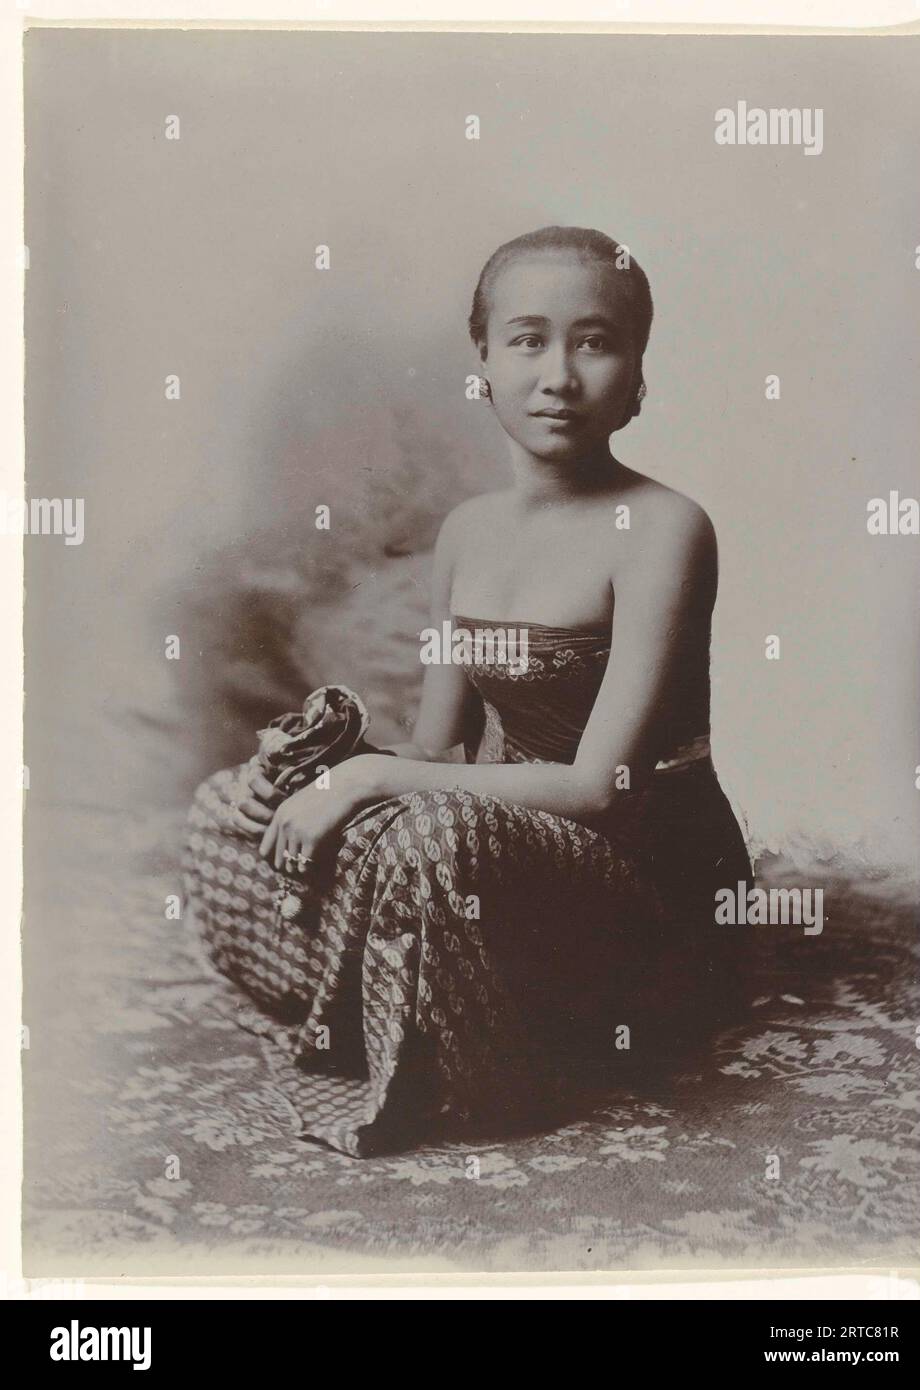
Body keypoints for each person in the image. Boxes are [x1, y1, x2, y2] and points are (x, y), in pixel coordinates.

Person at [182, 225, 753, 1159]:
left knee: (424, 831)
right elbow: (440, 751)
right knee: (226, 810)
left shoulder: (663, 528)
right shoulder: (467, 533)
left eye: (594, 341)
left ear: (637, 364)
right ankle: (424, 993)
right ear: (482, 360)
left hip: (643, 881)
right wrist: (308, 776)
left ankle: (478, 1059)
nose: (558, 375)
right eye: (527, 340)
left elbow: (597, 790)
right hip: (494, 861)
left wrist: (365, 784)